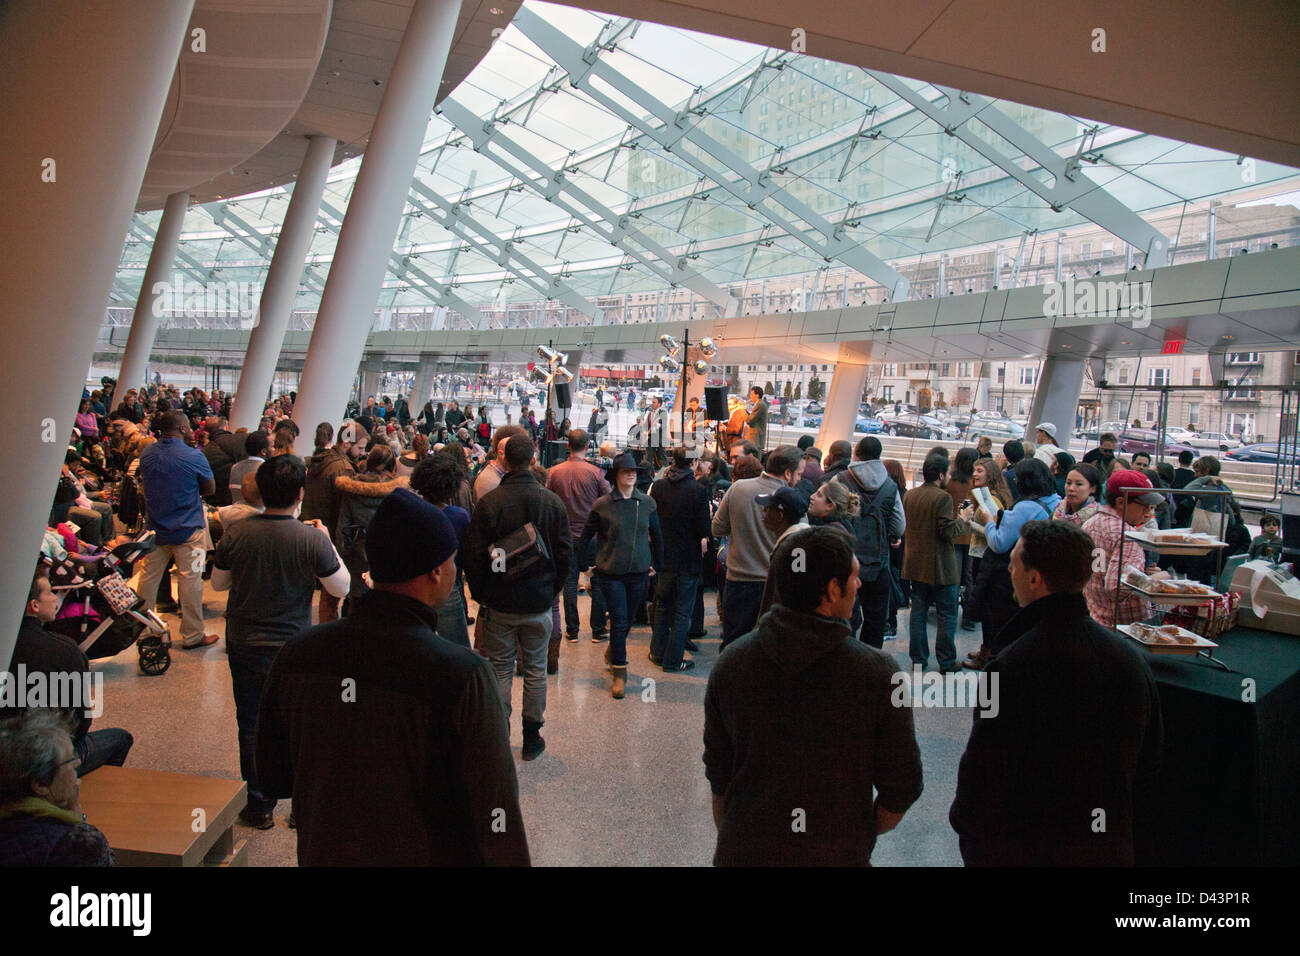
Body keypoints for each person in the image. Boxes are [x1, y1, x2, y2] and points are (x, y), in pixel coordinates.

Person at [255, 490, 529, 865]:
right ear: (435, 571)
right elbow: (496, 816)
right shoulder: (463, 675)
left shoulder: (299, 653)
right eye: (452, 561)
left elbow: (273, 777)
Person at [703, 526, 923, 865]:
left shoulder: (732, 662)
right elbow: (903, 784)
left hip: (746, 847)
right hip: (837, 850)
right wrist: (858, 831)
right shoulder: (878, 673)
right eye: (854, 577)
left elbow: (719, 775)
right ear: (832, 591)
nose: (859, 585)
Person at [950, 519, 1163, 865]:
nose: (1008, 570)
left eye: (1014, 563)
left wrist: (971, 834)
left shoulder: (1010, 667)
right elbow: (1149, 765)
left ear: (1035, 579)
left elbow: (985, 774)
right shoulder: (1131, 659)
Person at [212, 455, 350, 829]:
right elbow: (342, 586)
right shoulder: (310, 538)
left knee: (252, 723)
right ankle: (301, 806)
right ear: (300, 493)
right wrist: (326, 542)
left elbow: (218, 584)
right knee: (300, 724)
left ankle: (258, 805)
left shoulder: (237, 533)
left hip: (244, 642)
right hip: (293, 647)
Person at [463, 434, 571, 758]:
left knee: (500, 669)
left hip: (500, 602)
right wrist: (551, 590)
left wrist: (483, 594)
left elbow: (473, 555)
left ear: (504, 461)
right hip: (538, 601)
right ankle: (532, 737)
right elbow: (566, 554)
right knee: (536, 669)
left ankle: (499, 735)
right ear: (534, 459)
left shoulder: (490, 503)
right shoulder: (552, 503)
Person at [3, 568, 133, 775]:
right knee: (121, 738)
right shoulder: (65, 651)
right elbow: (81, 723)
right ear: (34, 605)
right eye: (50, 592)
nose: (55, 598)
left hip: (5, 754)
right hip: (45, 759)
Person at [579, 453, 664, 696]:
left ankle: (613, 652)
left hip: (638, 572)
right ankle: (620, 671)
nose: (631, 474)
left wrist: (657, 563)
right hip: (610, 573)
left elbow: (657, 536)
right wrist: (585, 566)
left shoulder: (647, 504)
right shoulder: (603, 505)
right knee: (618, 619)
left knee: (625, 621)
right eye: (626, 471)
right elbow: (585, 539)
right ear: (615, 475)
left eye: (634, 471)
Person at [961, 457, 1061, 657]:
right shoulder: (1056, 501)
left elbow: (999, 543)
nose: (975, 474)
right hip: (1040, 570)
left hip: (1008, 573)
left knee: (999, 619)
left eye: (980, 470)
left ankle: (993, 658)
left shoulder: (1024, 508)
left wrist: (988, 522)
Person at [137, 410, 219, 649]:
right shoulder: (194, 456)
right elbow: (210, 488)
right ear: (183, 428)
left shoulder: (147, 453)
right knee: (191, 581)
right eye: (189, 427)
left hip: (155, 530)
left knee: (148, 580)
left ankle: (144, 630)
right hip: (189, 531)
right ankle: (193, 635)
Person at [712, 445, 804, 649]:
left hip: (739, 581)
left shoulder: (738, 489)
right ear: (788, 473)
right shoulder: (793, 502)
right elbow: (801, 548)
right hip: (776, 585)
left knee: (734, 645)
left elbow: (717, 528)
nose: (799, 479)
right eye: (798, 474)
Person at [0, 710, 114, 866]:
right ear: (40, 784)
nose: (78, 763)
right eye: (70, 759)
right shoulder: (77, 845)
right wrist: (79, 823)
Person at [833, 436, 906, 649]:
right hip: (878, 560)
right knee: (875, 619)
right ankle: (869, 661)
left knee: (846, 616)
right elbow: (899, 524)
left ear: (856, 453)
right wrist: (891, 536)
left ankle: (845, 659)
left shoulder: (841, 479)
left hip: (847, 558)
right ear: (878, 456)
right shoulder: (890, 485)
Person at [903, 452, 969, 672]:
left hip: (915, 563)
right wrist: (964, 519)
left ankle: (918, 660)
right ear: (941, 474)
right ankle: (946, 661)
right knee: (947, 614)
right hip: (941, 565)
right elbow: (947, 531)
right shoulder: (943, 498)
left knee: (918, 613)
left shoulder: (910, 495)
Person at [648, 447, 711, 671]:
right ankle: (674, 660)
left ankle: (657, 652)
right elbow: (704, 528)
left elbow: (652, 520)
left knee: (663, 604)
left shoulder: (659, 486)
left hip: (664, 556)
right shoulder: (698, 490)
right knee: (683, 610)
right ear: (693, 463)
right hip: (688, 558)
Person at [546, 429, 610, 647]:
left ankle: (572, 631)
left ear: (567, 445)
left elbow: (548, 502)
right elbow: (609, 501)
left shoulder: (553, 472)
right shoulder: (596, 473)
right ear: (587, 446)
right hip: (591, 537)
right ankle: (598, 629)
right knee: (597, 581)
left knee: (569, 583)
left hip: (564, 536)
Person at [1081, 469, 1167, 629]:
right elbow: (1116, 588)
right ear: (1121, 502)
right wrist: (1157, 579)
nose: (1149, 512)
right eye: (1145, 506)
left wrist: (1139, 574)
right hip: (1126, 626)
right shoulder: (1128, 535)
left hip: (1096, 616)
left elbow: (1101, 571)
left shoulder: (1091, 523)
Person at [409, 450, 472, 647]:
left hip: (412, 585)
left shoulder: (410, 511)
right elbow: (465, 556)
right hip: (446, 585)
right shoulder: (459, 517)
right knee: (457, 645)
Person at [333, 444, 406, 611]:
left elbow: (342, 532)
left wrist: (345, 560)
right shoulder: (399, 491)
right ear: (391, 465)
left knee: (356, 610)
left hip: (358, 560)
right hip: (390, 561)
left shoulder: (351, 489)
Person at [1052, 462, 1103, 527]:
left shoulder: (1097, 519)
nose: (1071, 488)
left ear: (1093, 488)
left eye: (1079, 484)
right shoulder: (1059, 510)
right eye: (1068, 483)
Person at [228, 430, 269, 503]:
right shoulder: (266, 469)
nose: (274, 449)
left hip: (235, 511)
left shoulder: (235, 467)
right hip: (257, 513)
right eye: (273, 446)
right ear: (263, 451)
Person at [643, 396, 668, 470]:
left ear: (659, 404)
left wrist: (651, 430)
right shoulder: (650, 413)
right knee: (649, 459)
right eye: (652, 402)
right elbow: (646, 425)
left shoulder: (663, 412)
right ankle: (649, 474)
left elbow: (662, 425)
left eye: (654, 402)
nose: (652, 404)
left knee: (663, 457)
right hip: (650, 438)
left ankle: (666, 473)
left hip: (659, 438)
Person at [742, 386, 768, 453]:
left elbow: (750, 420)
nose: (750, 396)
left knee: (754, 460)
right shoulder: (759, 404)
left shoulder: (760, 405)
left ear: (757, 395)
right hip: (755, 440)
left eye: (752, 394)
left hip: (756, 439)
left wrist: (742, 411)